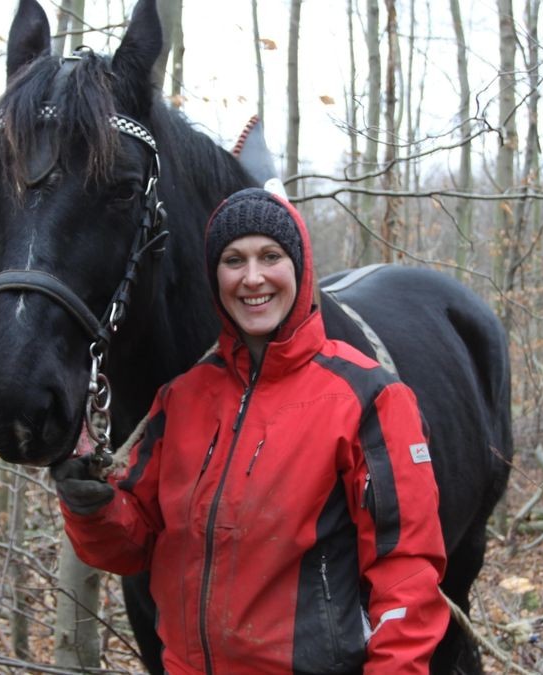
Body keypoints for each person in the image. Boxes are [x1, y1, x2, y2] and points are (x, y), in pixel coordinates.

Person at [52, 187, 448, 674]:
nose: (252, 277)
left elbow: (406, 573)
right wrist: (93, 508)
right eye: (233, 260)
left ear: (299, 268)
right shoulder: (181, 400)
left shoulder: (369, 399)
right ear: (214, 277)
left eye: (270, 256)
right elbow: (135, 544)